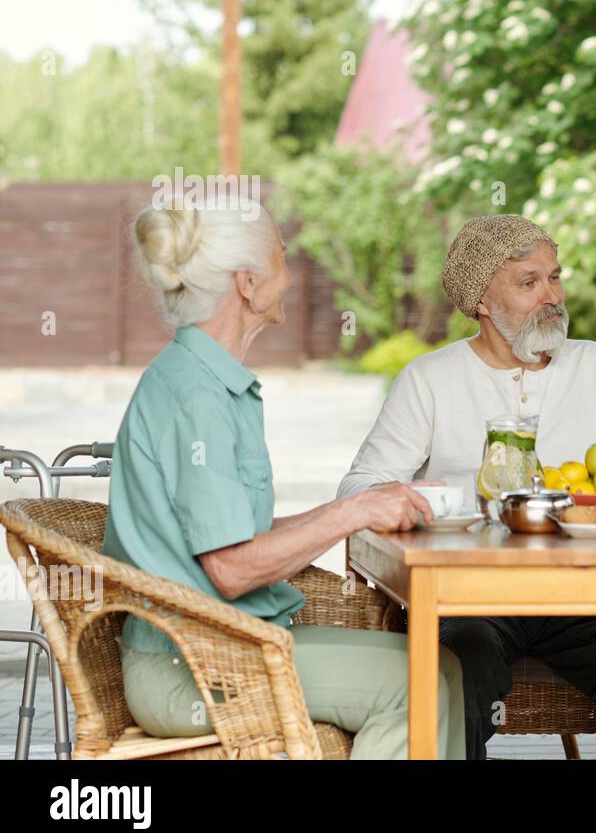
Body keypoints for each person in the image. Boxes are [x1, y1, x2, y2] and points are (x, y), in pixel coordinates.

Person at [104, 200, 466, 760]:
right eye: (282, 256)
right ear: (248, 283)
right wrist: (352, 514)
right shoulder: (196, 396)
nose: (290, 273)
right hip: (192, 669)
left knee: (440, 663)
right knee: (414, 685)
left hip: (225, 646)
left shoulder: (206, 382)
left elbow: (236, 538)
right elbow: (230, 568)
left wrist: (362, 504)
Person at [339, 213, 596, 759]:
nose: (552, 295)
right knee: (460, 656)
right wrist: (424, 498)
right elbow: (358, 488)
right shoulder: (430, 379)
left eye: (555, 276)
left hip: (586, 596)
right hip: (473, 599)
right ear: (482, 300)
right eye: (529, 282)